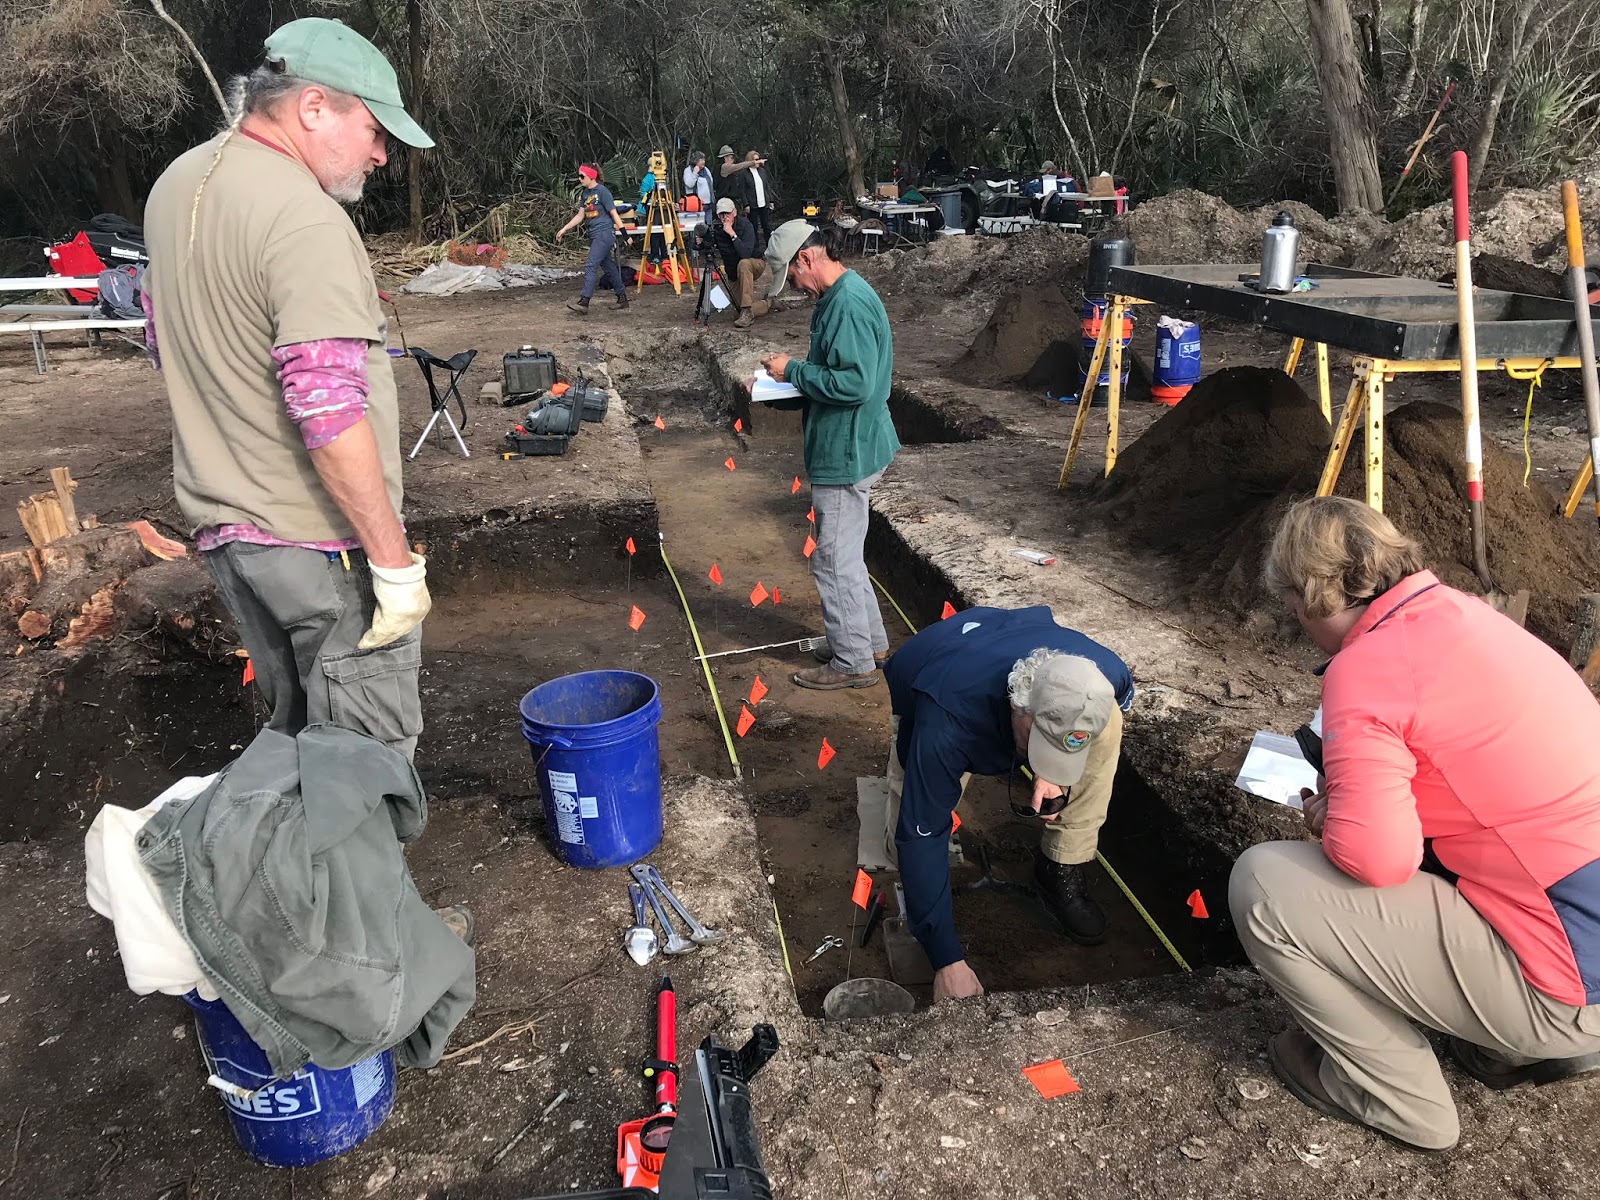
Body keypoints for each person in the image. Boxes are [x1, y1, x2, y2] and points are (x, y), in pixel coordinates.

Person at [1230, 496, 1600, 1152]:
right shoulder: (1465, 616)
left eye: (1291, 606)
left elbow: (1378, 861)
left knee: (1263, 884)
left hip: (1571, 981)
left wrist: (1337, 811)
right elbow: (1474, 785)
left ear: (1307, 595)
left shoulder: (1367, 668)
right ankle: (1504, 1046)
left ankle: (1397, 1097)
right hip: (1576, 919)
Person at [142, 17, 435, 762]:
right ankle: (211, 865)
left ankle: (285, 878)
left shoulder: (177, 185)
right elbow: (329, 412)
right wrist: (393, 563)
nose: (380, 154)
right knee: (363, 769)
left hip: (231, 537)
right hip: (315, 545)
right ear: (313, 109)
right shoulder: (305, 217)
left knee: (301, 744)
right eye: (373, 130)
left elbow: (165, 344)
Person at [885, 607, 1133, 1002]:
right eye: (1037, 739)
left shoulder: (1109, 675)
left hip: (1012, 641)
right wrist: (946, 960)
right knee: (905, 829)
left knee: (1109, 726)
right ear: (1019, 706)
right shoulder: (947, 721)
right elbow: (922, 834)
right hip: (931, 677)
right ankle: (921, 915)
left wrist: (1054, 770)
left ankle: (1060, 864)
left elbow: (1079, 727)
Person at [758, 221, 899, 690]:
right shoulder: (842, 295)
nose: (794, 287)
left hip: (846, 449)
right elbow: (833, 376)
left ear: (805, 259)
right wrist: (778, 387)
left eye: (792, 276)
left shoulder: (847, 306)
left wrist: (793, 369)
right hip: (852, 441)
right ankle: (869, 642)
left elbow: (854, 384)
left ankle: (853, 662)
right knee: (847, 556)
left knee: (832, 560)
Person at [555, 164, 631, 315]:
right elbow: (580, 216)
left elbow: (614, 213)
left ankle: (584, 301)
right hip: (594, 234)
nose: (580, 179)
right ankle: (622, 298)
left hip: (604, 234)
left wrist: (625, 234)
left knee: (591, 265)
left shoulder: (602, 192)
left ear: (592, 176)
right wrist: (564, 229)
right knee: (609, 267)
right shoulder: (585, 194)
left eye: (582, 176)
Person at [710, 197, 769, 330]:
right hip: (733, 271)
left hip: (754, 263)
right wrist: (699, 241)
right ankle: (768, 304)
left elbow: (746, 254)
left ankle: (747, 308)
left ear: (734, 212)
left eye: (727, 213)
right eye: (721, 214)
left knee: (744, 264)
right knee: (739, 307)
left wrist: (732, 234)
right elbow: (705, 247)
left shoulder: (746, 225)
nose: (725, 217)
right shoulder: (717, 229)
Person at [739, 149, 776, 245]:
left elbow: (767, 187)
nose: (758, 161)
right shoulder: (744, 174)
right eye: (755, 159)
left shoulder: (762, 171)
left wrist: (771, 200)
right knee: (753, 227)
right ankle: (755, 248)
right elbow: (742, 191)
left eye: (758, 159)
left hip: (764, 203)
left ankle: (770, 245)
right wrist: (746, 204)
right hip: (752, 204)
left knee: (766, 226)